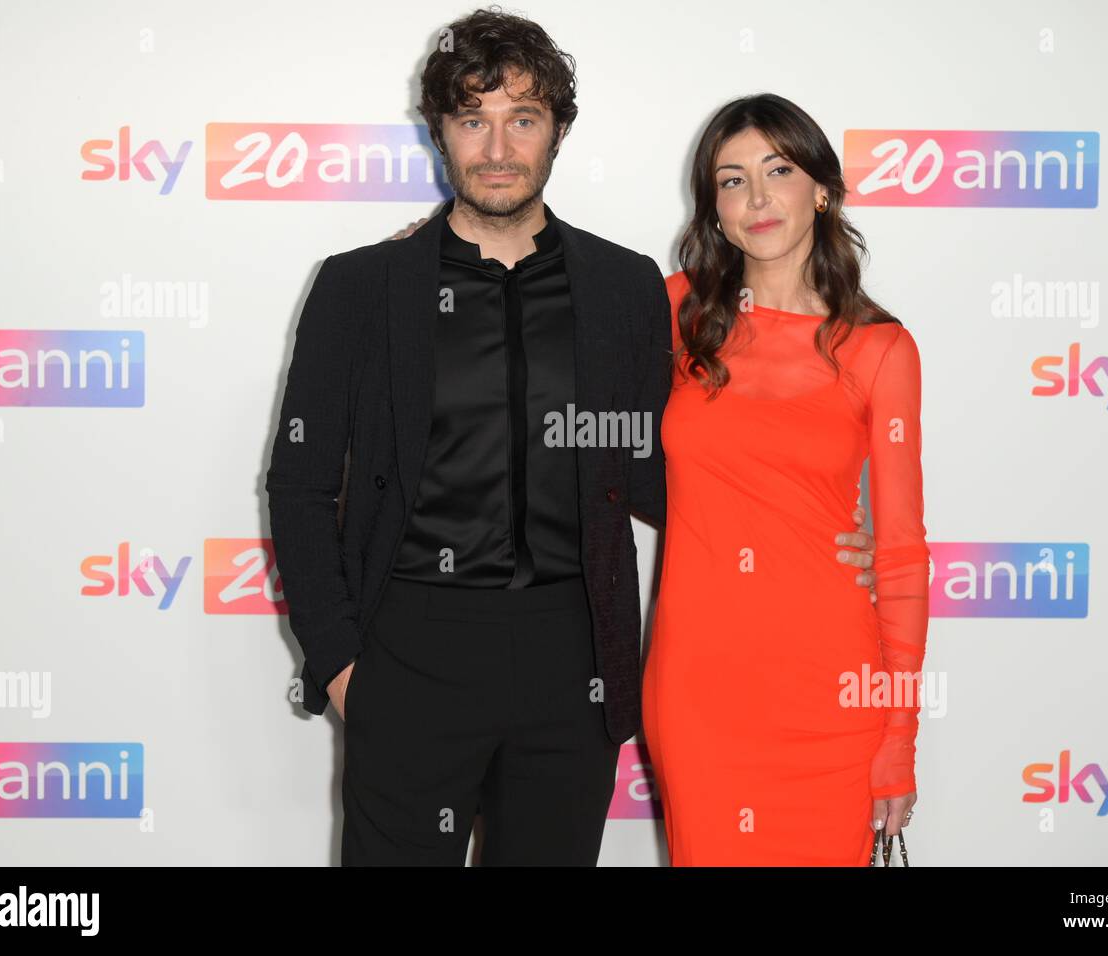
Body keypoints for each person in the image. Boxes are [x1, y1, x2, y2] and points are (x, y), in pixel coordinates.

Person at [266, 7, 877, 866]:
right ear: (438, 131)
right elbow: (299, 486)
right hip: (409, 649)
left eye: (523, 118)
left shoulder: (626, 291)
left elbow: (682, 467)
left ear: (557, 130)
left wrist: (826, 537)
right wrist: (340, 666)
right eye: (472, 119)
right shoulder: (363, 288)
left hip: (571, 660)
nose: (497, 147)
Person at [640, 93, 930, 865]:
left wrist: (896, 738)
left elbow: (900, 555)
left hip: (832, 692)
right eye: (732, 181)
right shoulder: (674, 313)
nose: (758, 198)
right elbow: (543, 312)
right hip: (699, 688)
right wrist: (443, 248)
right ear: (714, 209)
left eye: (780, 170)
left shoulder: (880, 348)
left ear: (823, 189)